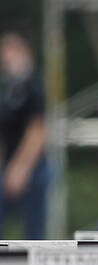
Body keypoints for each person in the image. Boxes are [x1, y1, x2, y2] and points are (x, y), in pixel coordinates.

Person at [0, 31, 50, 240]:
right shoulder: (7, 88)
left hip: (32, 167)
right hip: (9, 165)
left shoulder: (32, 85)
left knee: (34, 232)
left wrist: (20, 168)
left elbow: (37, 131)